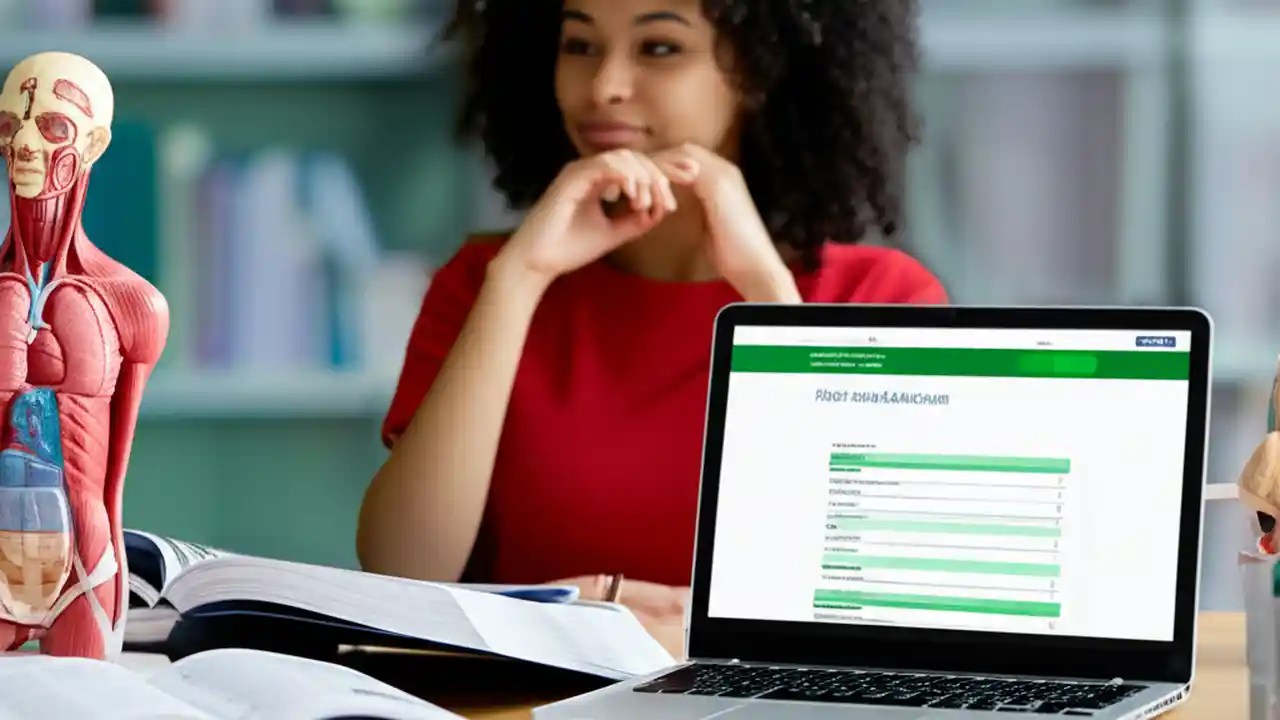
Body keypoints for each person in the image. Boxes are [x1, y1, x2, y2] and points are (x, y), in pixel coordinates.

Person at [356, 0, 946, 652]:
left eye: (659, 48)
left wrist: (767, 294)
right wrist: (521, 275)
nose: (604, 85)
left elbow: (878, 582)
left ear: (757, 70)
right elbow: (403, 570)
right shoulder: (487, 285)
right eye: (579, 46)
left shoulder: (879, 296)